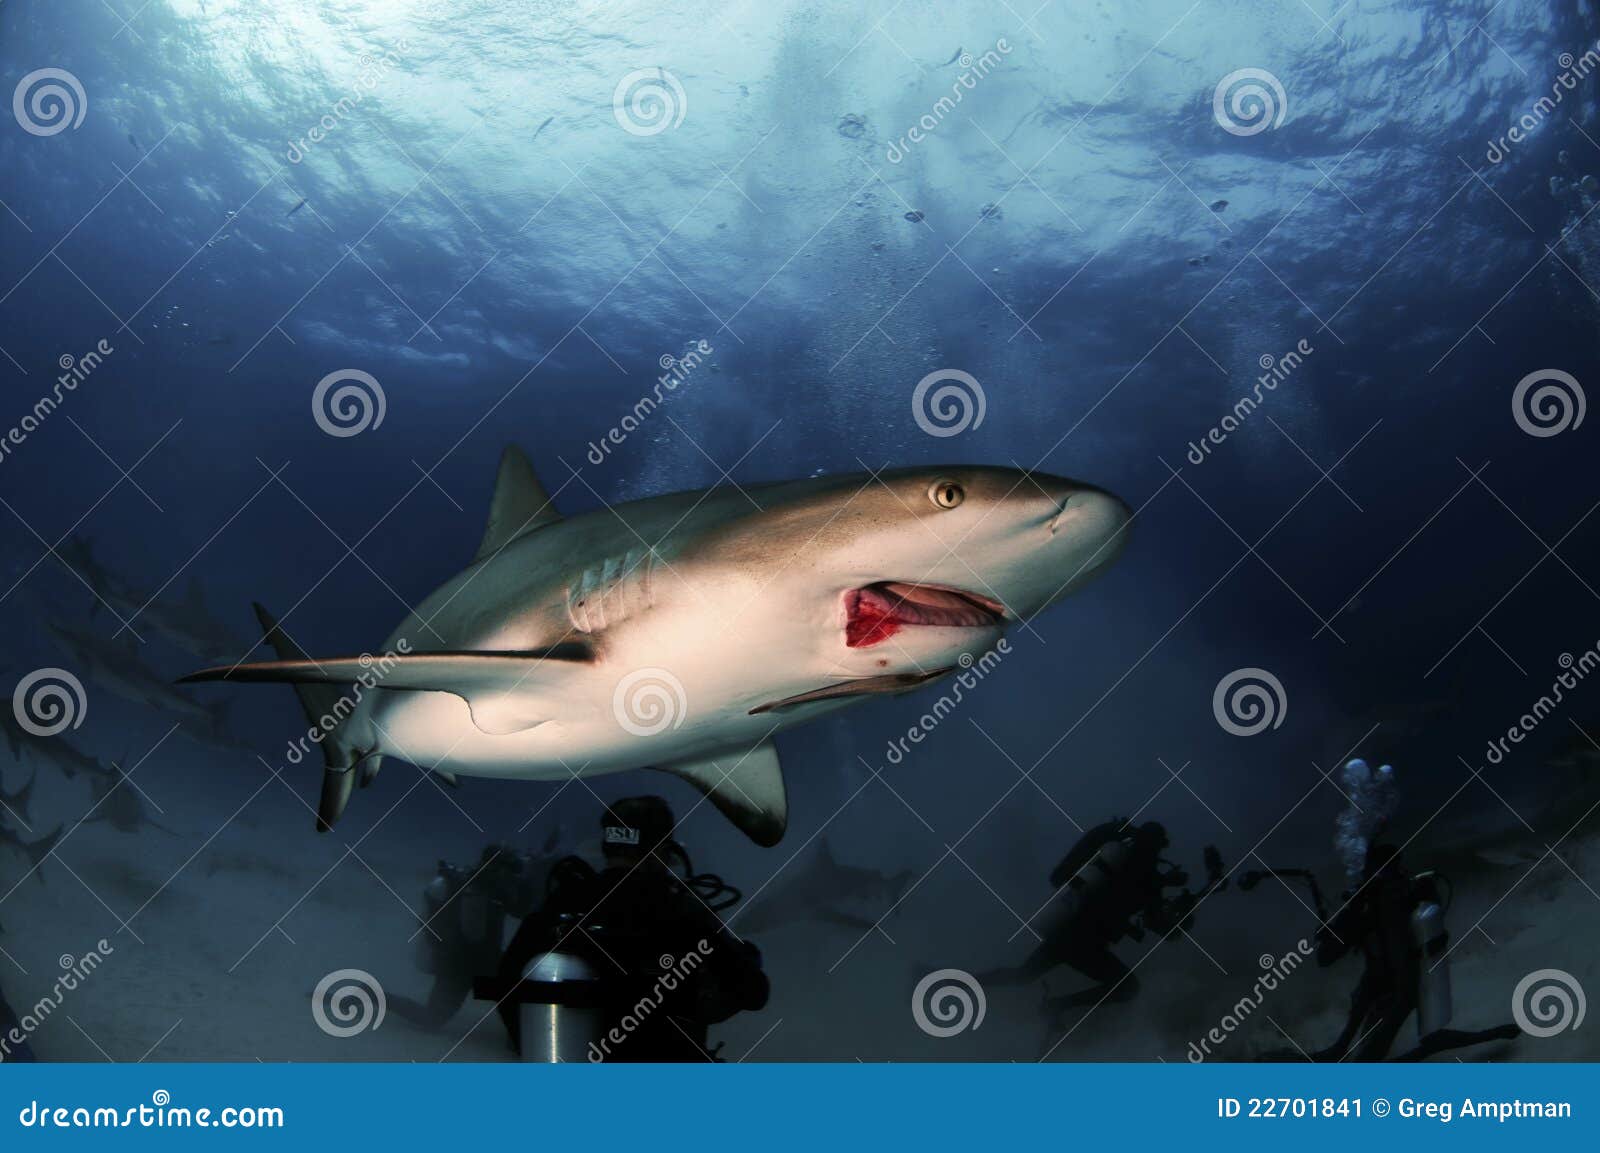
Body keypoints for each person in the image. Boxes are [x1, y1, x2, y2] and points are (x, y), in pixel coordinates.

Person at [1244, 760, 1518, 1061]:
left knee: (1364, 1061)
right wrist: (1337, 928)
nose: (1388, 882)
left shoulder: (1396, 901)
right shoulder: (1376, 905)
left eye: (1389, 874)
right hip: (1381, 993)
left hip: (1400, 994)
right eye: (1383, 875)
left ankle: (1488, 1037)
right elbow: (1328, 957)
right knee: (1347, 1056)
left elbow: (1331, 956)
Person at [492, 796, 769, 1061]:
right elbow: (754, 992)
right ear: (663, 849)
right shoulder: (682, 909)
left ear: (606, 845)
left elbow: (506, 981)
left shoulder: (565, 901)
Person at [981, 819, 1224, 1012]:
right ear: (1157, 846)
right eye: (1160, 847)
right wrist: (1182, 904)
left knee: (1021, 976)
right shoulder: (1149, 878)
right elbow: (1161, 927)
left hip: (1064, 934)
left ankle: (964, 980)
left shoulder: (1126, 866)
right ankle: (1057, 1007)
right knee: (1128, 988)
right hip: (1085, 945)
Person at [390, 844, 548, 1032]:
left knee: (433, 1017)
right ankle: (371, 995)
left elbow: (521, 910)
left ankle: (522, 1031)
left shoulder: (488, 887)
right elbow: (475, 936)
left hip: (462, 962)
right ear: (497, 869)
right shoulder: (477, 890)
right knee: (432, 1018)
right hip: (460, 965)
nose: (511, 877)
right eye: (508, 871)